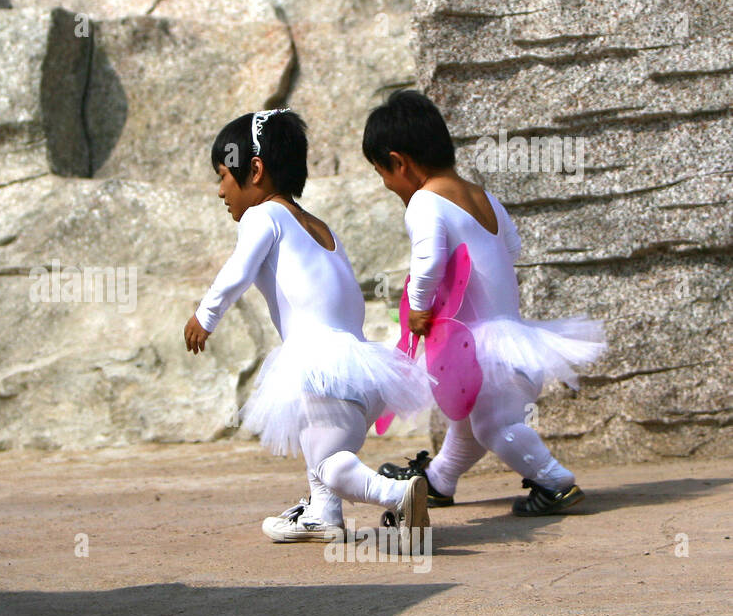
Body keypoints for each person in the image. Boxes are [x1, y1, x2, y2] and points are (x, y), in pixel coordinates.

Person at [184, 109, 432, 541]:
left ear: (255, 171)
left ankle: (397, 494)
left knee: (329, 462)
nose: (220, 190)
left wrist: (205, 316)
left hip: (321, 360)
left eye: (223, 175)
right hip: (361, 365)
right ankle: (323, 514)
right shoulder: (318, 226)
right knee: (316, 436)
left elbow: (237, 272)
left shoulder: (264, 217)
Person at [363, 89, 606, 516]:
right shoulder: (485, 196)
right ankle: (438, 481)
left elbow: (429, 261)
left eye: (383, 172)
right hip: (513, 334)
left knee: (495, 424)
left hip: (481, 344)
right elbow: (510, 248)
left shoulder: (423, 201)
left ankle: (555, 483)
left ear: (399, 162)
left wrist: (419, 306)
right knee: (468, 419)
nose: (387, 184)